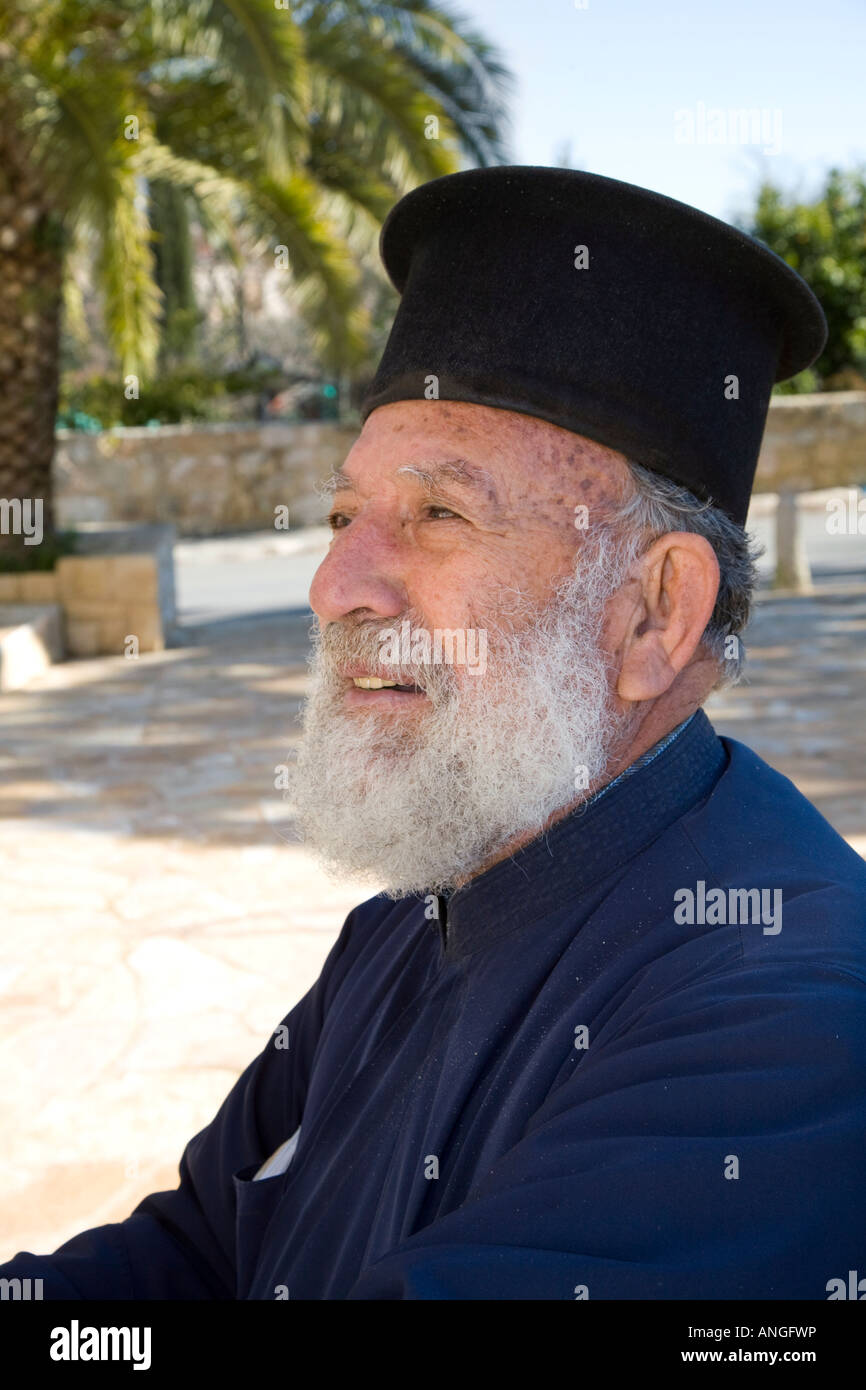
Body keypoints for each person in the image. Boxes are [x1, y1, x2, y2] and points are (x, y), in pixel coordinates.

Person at [3, 167, 864, 1300]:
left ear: (653, 611)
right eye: (344, 516)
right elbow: (194, 1256)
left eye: (438, 514)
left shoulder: (794, 1018)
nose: (332, 584)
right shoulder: (400, 926)